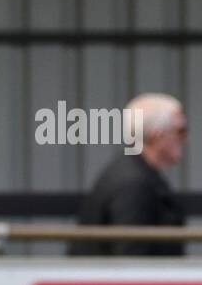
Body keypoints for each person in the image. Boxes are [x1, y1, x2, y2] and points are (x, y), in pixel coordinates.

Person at [68, 93, 187, 256]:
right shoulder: (133, 185)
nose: (184, 138)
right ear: (157, 135)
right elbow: (132, 259)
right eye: (180, 131)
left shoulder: (135, 174)